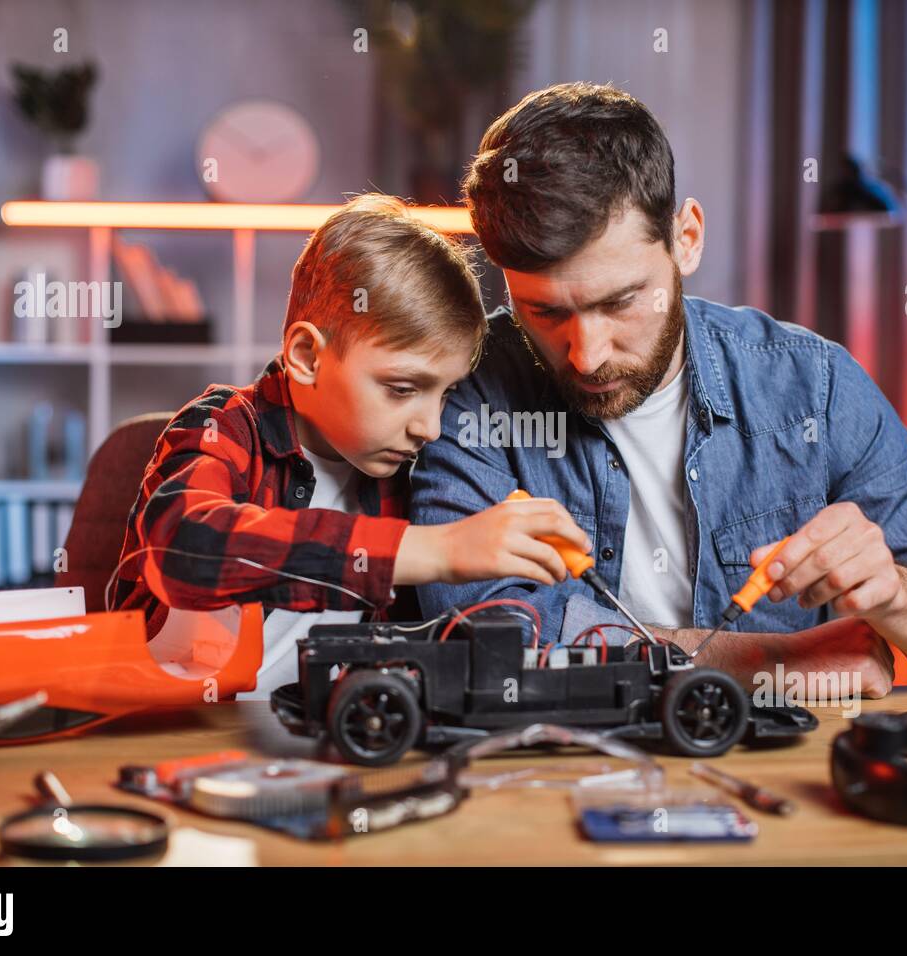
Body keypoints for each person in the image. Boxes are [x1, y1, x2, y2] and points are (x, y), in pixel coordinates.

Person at [411, 84, 907, 697]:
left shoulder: (813, 385)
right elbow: (476, 637)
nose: (587, 354)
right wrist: (768, 663)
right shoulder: (469, 390)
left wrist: (894, 592)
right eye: (544, 312)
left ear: (688, 238)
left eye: (621, 301)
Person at [113, 193, 591, 696]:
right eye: (402, 389)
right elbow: (183, 545)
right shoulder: (223, 427)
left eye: (445, 393)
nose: (429, 427)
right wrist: (438, 549)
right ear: (306, 357)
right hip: (171, 731)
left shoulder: (407, 473)